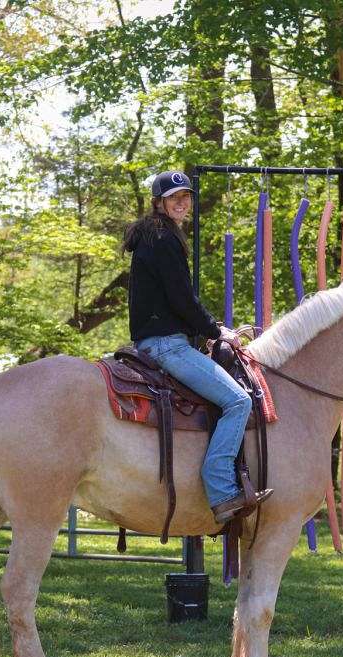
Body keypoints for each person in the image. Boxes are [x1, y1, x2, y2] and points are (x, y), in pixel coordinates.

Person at [123, 169, 272, 523]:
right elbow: (182, 298)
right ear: (158, 203)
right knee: (238, 400)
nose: (181, 203)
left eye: (185, 197)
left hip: (154, 339)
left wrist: (209, 328)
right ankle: (221, 488)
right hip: (166, 345)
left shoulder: (152, 236)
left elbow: (175, 299)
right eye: (174, 197)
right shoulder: (164, 238)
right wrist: (216, 332)